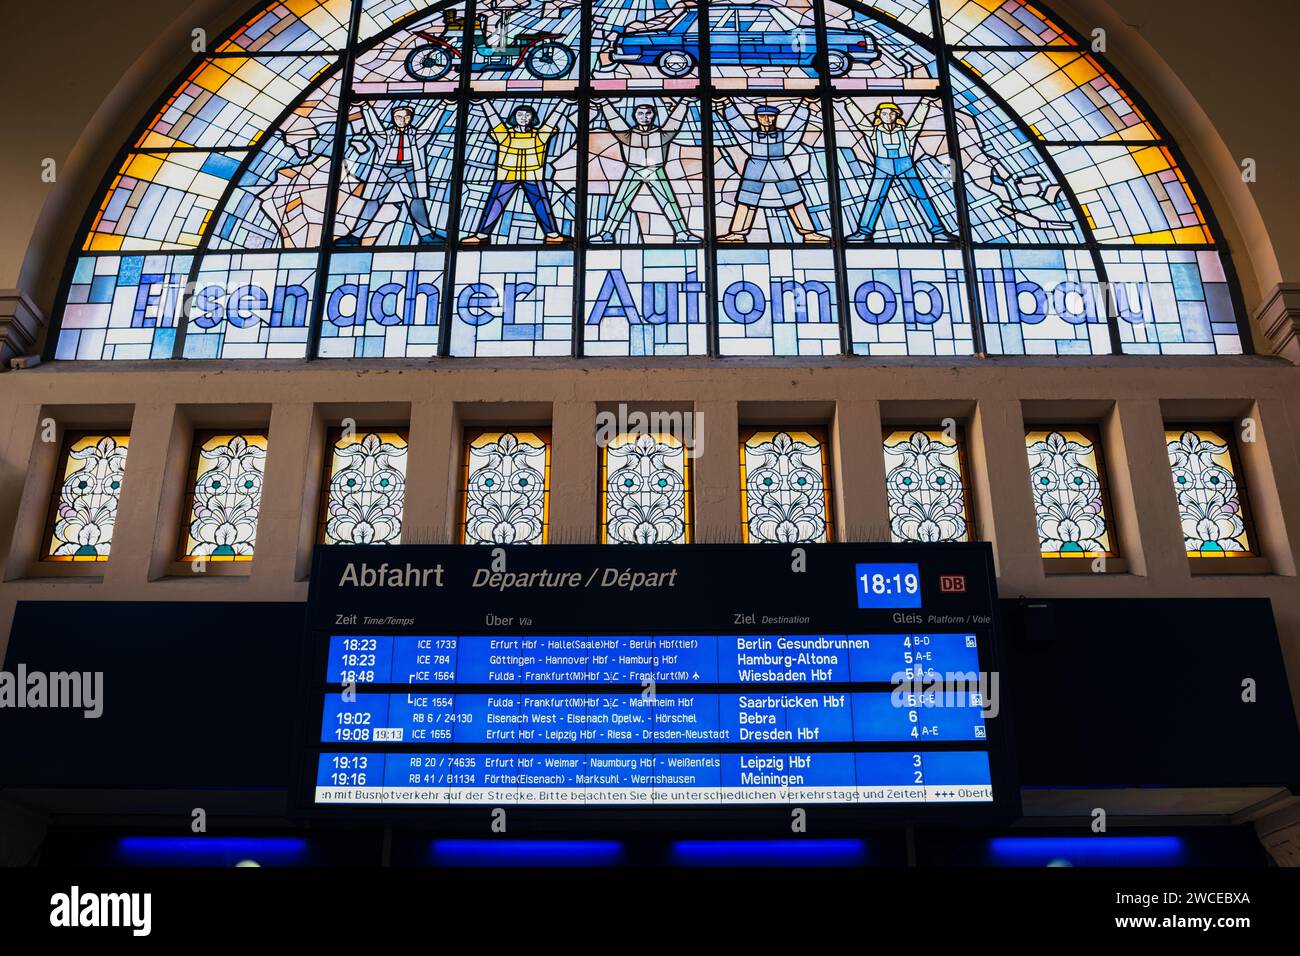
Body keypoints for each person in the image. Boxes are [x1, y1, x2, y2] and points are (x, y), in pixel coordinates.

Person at [714, 97, 828, 243]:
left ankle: (809, 234)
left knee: (795, 202)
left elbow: (797, 124)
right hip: (755, 171)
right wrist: (727, 104)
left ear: (775, 118)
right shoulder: (750, 137)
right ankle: (737, 234)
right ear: (757, 118)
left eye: (771, 116)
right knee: (746, 202)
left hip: (782, 171)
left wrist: (805, 104)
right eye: (762, 116)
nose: (767, 119)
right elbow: (736, 123)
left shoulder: (785, 137)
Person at [843, 98, 953, 241]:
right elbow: (860, 122)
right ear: (879, 115)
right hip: (883, 168)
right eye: (884, 114)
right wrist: (848, 102)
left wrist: (925, 102)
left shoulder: (906, 132)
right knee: (873, 199)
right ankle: (864, 232)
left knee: (922, 198)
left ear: (897, 115)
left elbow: (917, 121)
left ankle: (938, 231)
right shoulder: (873, 132)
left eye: (891, 114)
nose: (888, 117)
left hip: (905, 167)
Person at [336, 103, 444, 247]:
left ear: (411, 118)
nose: (402, 120)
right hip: (386, 169)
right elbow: (374, 127)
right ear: (393, 118)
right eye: (398, 117)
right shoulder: (385, 136)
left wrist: (441, 106)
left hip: (410, 169)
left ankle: (426, 236)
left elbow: (429, 127)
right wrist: (366, 107)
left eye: (406, 117)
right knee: (373, 201)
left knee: (416, 202)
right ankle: (355, 236)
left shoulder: (416, 136)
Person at [592, 99, 697, 242]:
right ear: (634, 115)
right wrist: (604, 103)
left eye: (648, 113)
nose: (644, 117)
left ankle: (682, 234)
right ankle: (606, 234)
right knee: (620, 202)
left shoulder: (661, 134)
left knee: (669, 202)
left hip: (656, 170)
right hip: (634, 170)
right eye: (640, 114)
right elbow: (614, 120)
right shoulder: (627, 135)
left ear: (653, 115)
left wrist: (684, 102)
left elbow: (674, 122)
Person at [465, 101, 565, 244]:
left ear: (533, 118)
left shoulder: (539, 136)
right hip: (506, 175)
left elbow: (553, 119)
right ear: (514, 117)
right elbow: (493, 120)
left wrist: (564, 103)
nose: (523, 118)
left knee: (542, 205)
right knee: (495, 205)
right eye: (519, 115)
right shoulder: (506, 135)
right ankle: (481, 235)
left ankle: (553, 235)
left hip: (533, 175)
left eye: (527, 115)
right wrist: (484, 103)